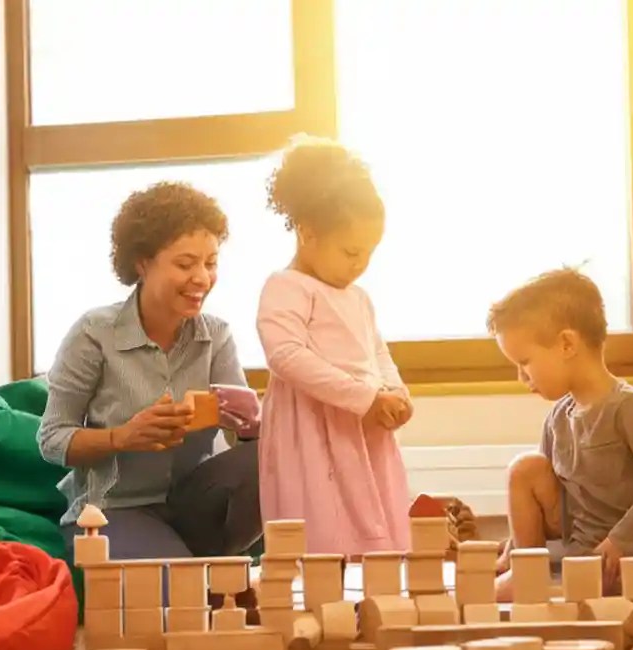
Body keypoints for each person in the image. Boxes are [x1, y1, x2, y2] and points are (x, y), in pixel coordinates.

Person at [38, 181, 262, 564]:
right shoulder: (95, 333)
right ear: (143, 262)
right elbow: (52, 440)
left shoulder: (216, 336)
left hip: (193, 505)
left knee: (268, 455)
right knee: (176, 599)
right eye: (185, 263)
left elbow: (245, 441)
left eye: (210, 263)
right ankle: (200, 571)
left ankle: (207, 565)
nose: (203, 279)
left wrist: (248, 424)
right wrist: (123, 437)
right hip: (115, 509)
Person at [256, 135, 414, 557]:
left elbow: (378, 352)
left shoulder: (358, 296)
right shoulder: (286, 286)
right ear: (307, 233)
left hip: (362, 426)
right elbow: (286, 356)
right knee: (322, 526)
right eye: (351, 251)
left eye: (370, 252)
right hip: (312, 427)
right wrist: (365, 396)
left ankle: (378, 602)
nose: (361, 263)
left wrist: (395, 391)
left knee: (376, 517)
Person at [487, 268, 633, 604]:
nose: (521, 377)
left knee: (512, 597)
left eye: (525, 362)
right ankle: (528, 572)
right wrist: (513, 548)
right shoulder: (557, 418)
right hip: (580, 554)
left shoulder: (628, 407)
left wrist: (620, 541)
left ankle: (540, 589)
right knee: (526, 468)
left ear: (566, 344)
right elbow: (542, 501)